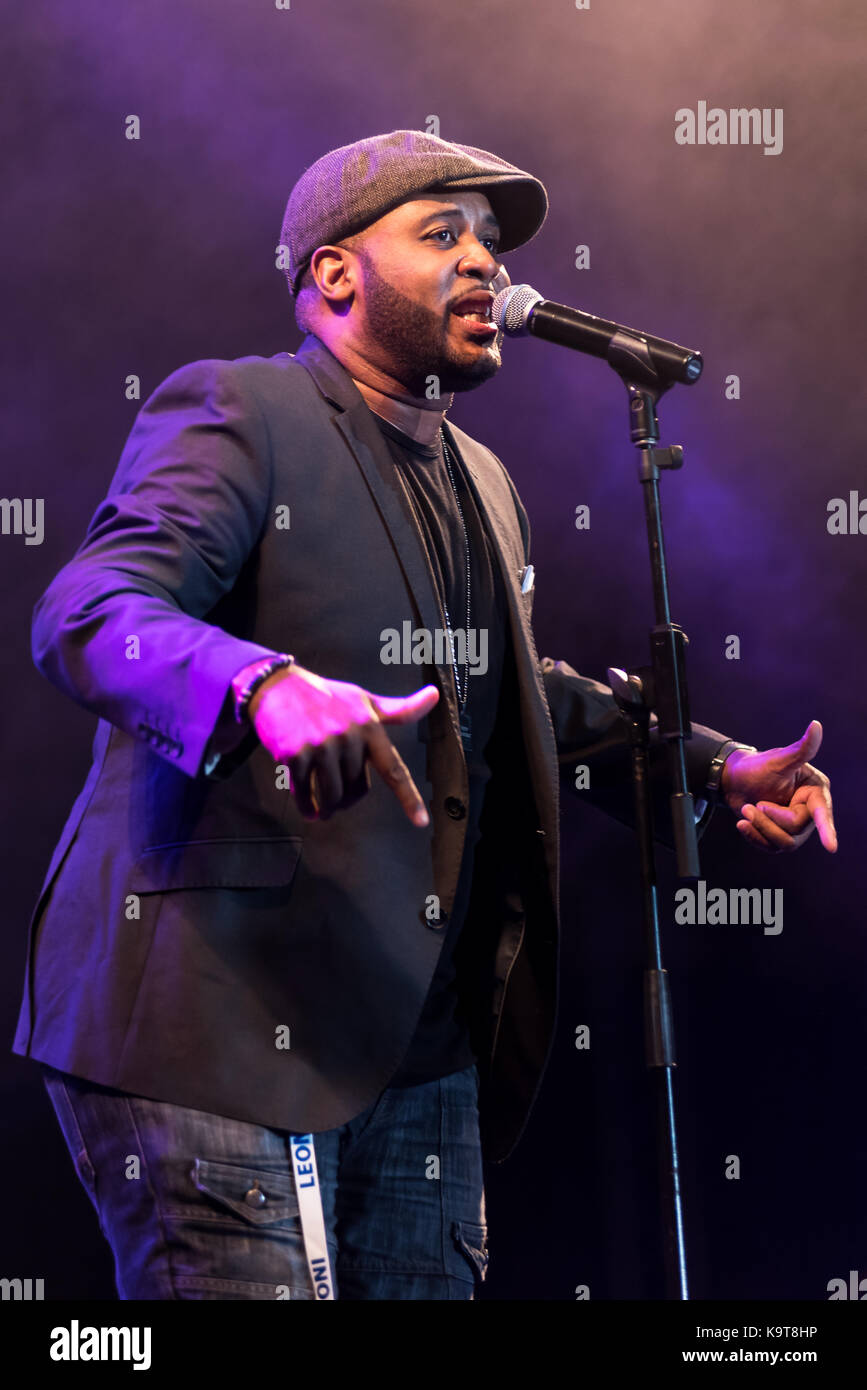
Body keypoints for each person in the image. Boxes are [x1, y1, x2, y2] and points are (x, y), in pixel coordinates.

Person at [13, 130, 837, 1301]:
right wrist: (259, 687)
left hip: (417, 1040)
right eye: (443, 233)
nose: (486, 266)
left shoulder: (484, 480)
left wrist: (710, 768)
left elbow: (507, 699)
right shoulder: (241, 410)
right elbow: (90, 610)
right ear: (335, 274)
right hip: (219, 1013)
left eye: (491, 245)